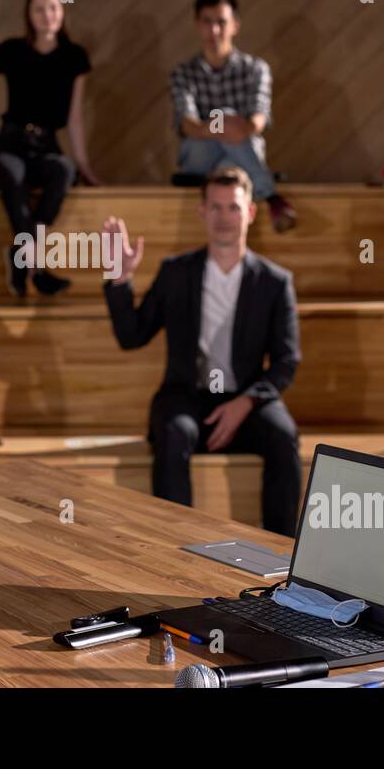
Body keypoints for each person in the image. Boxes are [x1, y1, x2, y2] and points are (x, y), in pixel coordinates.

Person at [102, 166, 303, 535]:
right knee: (174, 433)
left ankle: (283, 551)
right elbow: (132, 336)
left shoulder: (275, 282)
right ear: (201, 212)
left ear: (251, 213)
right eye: (215, 207)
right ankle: (177, 549)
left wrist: (245, 403)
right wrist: (120, 277)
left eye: (233, 208)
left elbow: (287, 361)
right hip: (185, 397)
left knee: (284, 436)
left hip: (248, 398)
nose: (224, 217)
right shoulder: (176, 271)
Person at [0, 0, 97, 298]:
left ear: (62, 13)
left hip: (47, 148)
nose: (47, 15)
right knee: (12, 177)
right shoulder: (13, 50)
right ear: (29, 16)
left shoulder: (74, 57)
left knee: (63, 171)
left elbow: (74, 118)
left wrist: (83, 163)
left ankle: (22, 261)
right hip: (10, 144)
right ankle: (38, 268)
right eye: (39, 9)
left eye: (53, 8)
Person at [170, 0, 294, 233]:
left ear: (235, 25)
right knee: (224, 119)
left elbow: (259, 118)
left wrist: (241, 128)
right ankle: (269, 195)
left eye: (221, 22)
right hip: (199, 153)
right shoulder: (183, 73)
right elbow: (187, 124)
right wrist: (223, 125)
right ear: (197, 25)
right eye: (207, 22)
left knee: (230, 166)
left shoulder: (256, 68)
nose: (214, 30)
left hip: (239, 153)